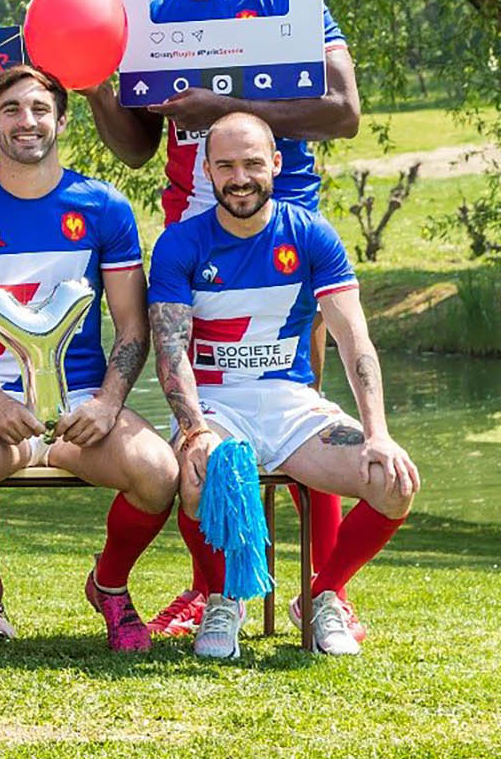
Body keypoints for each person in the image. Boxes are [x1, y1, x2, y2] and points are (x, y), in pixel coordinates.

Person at [79, 0, 366, 637]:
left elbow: (343, 111)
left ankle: (323, 593)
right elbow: (139, 148)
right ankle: (216, 590)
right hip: (188, 237)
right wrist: (98, 85)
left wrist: (226, 106)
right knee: (197, 415)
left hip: (282, 226)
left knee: (299, 400)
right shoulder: (151, 15)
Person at [0, 65, 173, 655]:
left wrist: (110, 402)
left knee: (158, 473)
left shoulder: (104, 207)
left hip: (82, 397)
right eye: (10, 110)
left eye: (39, 108)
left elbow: (133, 325)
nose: (26, 121)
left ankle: (109, 586)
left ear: (62, 119)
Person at [149, 112, 417, 658]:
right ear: (207, 169)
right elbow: (170, 347)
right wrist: (194, 429)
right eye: (225, 165)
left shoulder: (310, 234)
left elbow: (353, 339)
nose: (239, 177)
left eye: (252, 163)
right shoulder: (180, 243)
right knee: (198, 474)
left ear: (275, 163)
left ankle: (323, 596)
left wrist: (378, 432)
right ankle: (225, 599)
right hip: (217, 404)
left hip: (292, 405)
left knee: (393, 481)